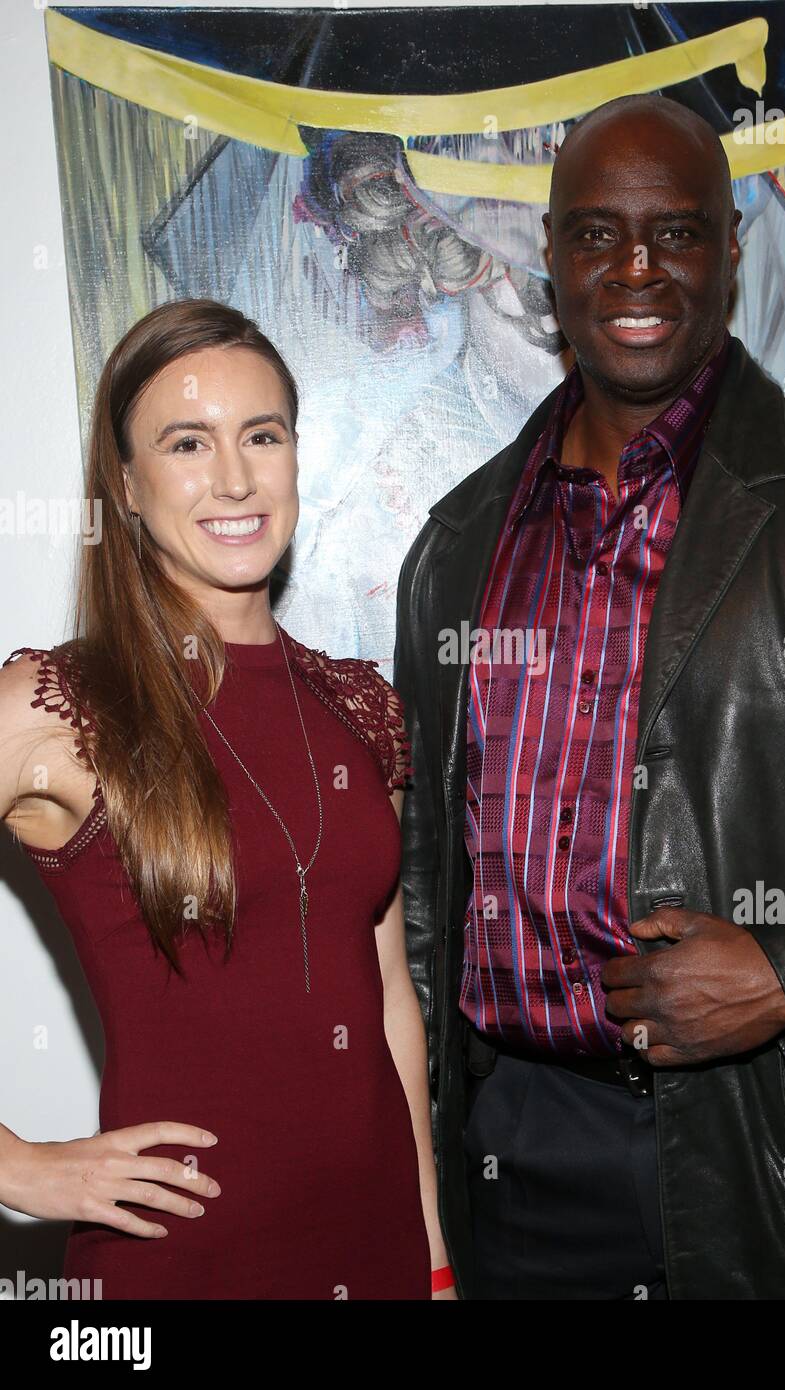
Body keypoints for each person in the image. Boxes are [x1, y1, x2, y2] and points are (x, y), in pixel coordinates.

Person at [393, 93, 785, 1299]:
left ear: (731, 253)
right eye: (597, 233)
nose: (635, 267)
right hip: (517, 1167)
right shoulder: (457, 541)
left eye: (676, 231)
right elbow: (419, 875)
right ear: (547, 260)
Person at [0, 298, 455, 1300]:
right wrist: (22, 1167)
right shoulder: (55, 707)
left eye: (262, 435)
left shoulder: (356, 706)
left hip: (375, 1255)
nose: (235, 478)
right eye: (185, 443)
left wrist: (430, 1258)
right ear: (124, 483)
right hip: (183, 1270)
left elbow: (387, 1006)